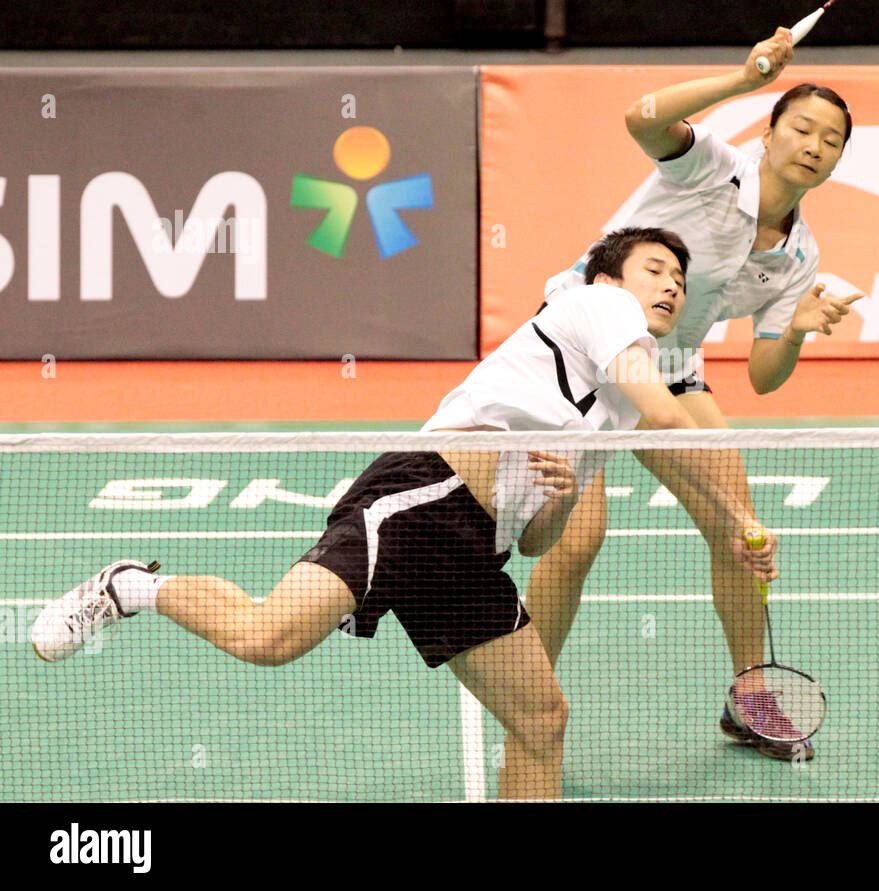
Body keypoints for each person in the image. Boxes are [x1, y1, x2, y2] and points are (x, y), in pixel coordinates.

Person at [30, 227, 773, 801]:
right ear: (608, 277)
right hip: (422, 500)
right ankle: (129, 587)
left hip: (480, 549)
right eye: (656, 270)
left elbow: (543, 536)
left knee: (542, 720)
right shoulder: (598, 308)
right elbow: (671, 421)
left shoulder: (610, 410)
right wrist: (736, 518)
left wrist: (565, 490)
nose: (673, 286)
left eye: (680, 278)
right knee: (268, 637)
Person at [528, 30, 862, 762]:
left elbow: (764, 375)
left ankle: (749, 699)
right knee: (576, 536)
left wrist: (799, 329)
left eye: (830, 139)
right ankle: (529, 695)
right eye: (800, 127)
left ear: (838, 159)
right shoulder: (712, 165)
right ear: (770, 133)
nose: (812, 144)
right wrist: (742, 77)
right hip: (593, 341)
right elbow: (642, 118)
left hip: (673, 361)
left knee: (742, 531)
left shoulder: (800, 255)